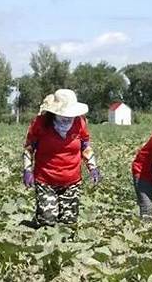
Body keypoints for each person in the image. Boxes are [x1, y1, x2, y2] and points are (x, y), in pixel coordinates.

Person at [22, 89, 102, 228]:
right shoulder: (40, 123)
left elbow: (85, 147)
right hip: (46, 179)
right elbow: (29, 148)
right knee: (47, 221)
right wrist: (27, 170)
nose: (68, 118)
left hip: (71, 180)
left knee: (69, 223)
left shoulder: (80, 123)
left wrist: (93, 168)